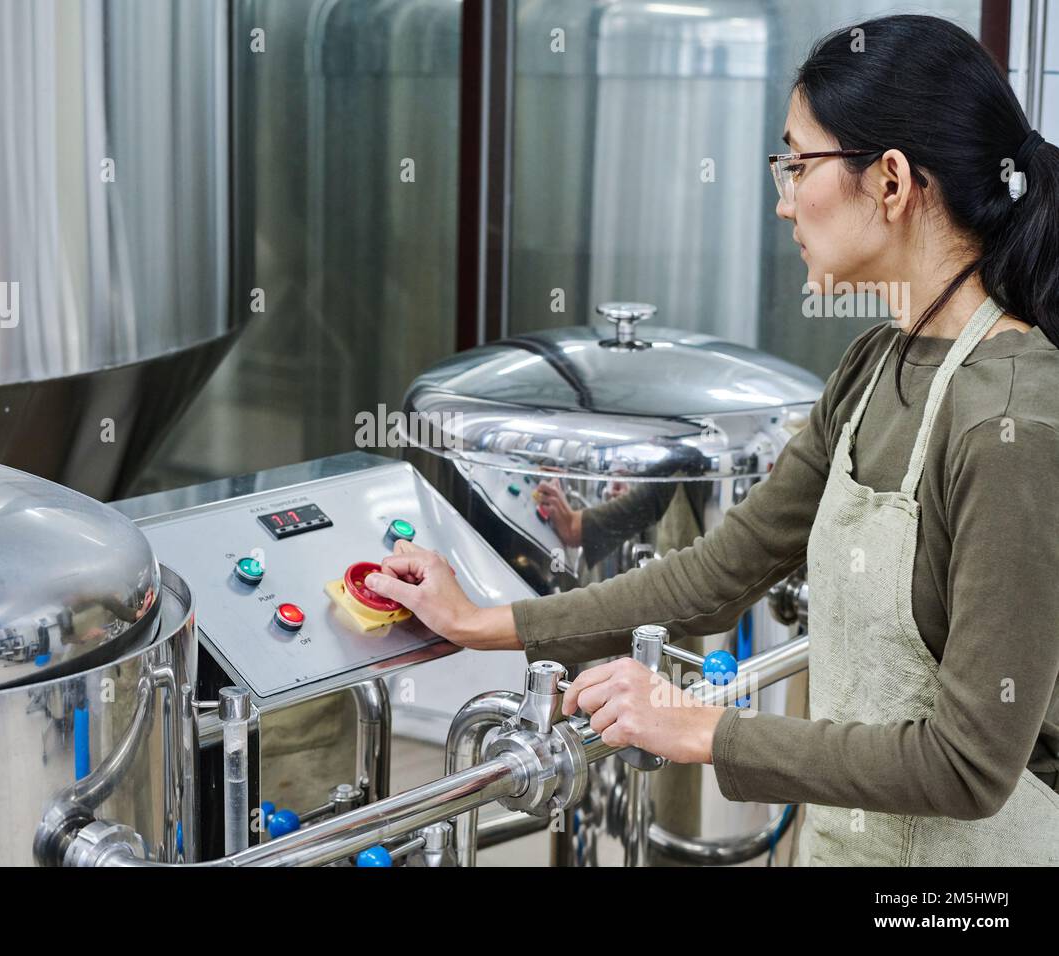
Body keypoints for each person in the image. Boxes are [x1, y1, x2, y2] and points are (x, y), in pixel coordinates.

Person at [366, 13, 1059, 865]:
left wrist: (704, 730)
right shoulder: (874, 365)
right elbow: (716, 577)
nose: (781, 199)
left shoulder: (1012, 422)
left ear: (890, 182)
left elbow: (969, 766)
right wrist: (483, 619)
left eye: (797, 163)